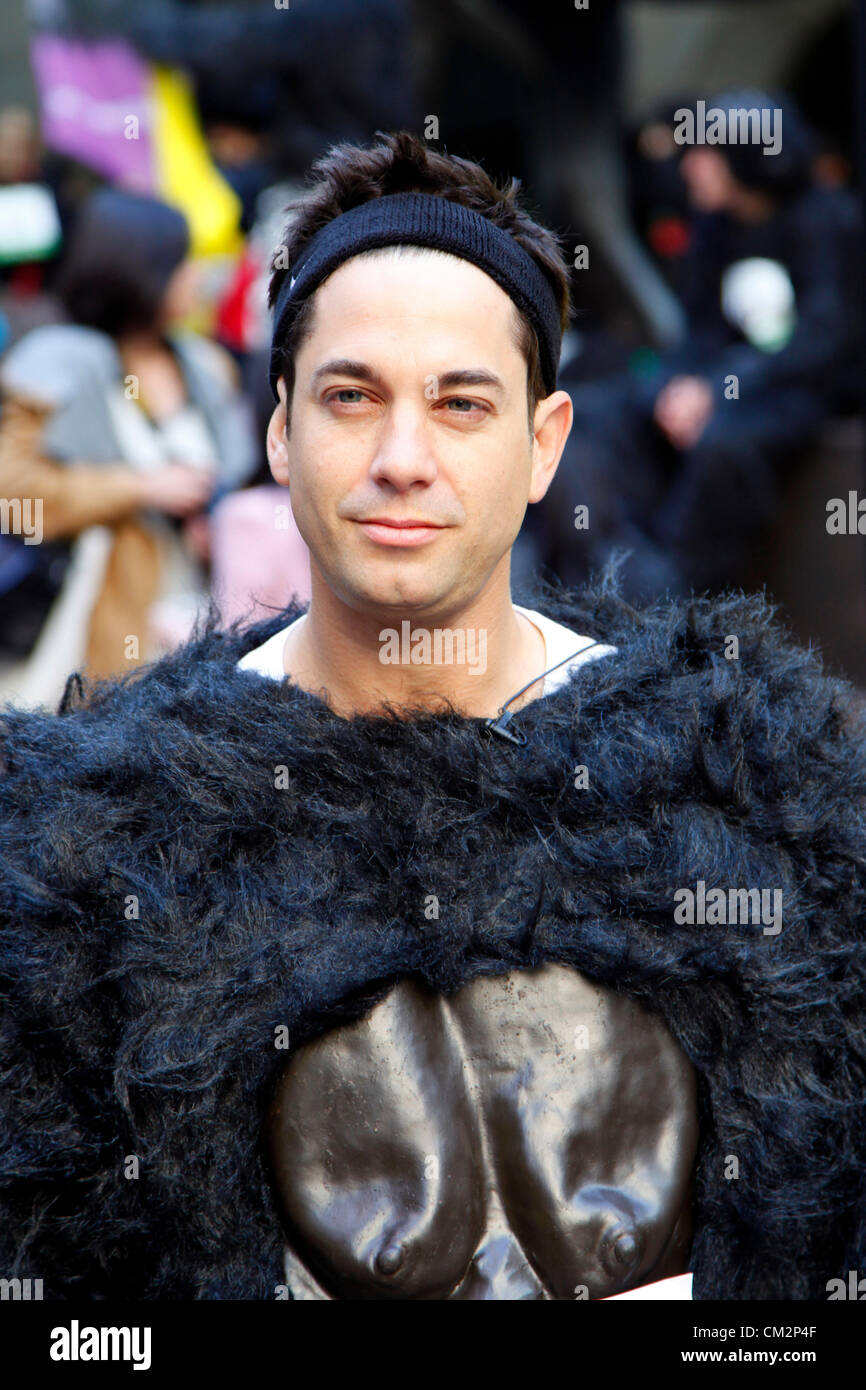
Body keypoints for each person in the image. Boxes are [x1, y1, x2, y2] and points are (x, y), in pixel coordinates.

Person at [0, 132, 864, 1301]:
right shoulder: (97, 843)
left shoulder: (753, 780)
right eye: (351, 397)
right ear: (278, 431)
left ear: (542, 444)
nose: (402, 458)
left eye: (461, 405)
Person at [531, 91, 862, 599]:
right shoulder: (713, 227)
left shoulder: (828, 220)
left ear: (750, 158)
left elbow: (821, 340)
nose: (691, 167)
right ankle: (602, 561)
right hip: (720, 384)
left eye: (707, 154)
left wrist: (720, 389)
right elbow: (697, 331)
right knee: (598, 412)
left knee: (726, 445)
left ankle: (673, 588)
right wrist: (677, 387)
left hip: (793, 390)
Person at [0, 187, 257, 702]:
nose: (197, 278)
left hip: (193, 624)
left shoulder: (207, 366)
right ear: (138, 270)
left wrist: (219, 519)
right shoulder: (57, 360)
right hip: (81, 632)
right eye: (182, 263)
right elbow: (13, 494)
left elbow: (241, 478)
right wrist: (139, 488)